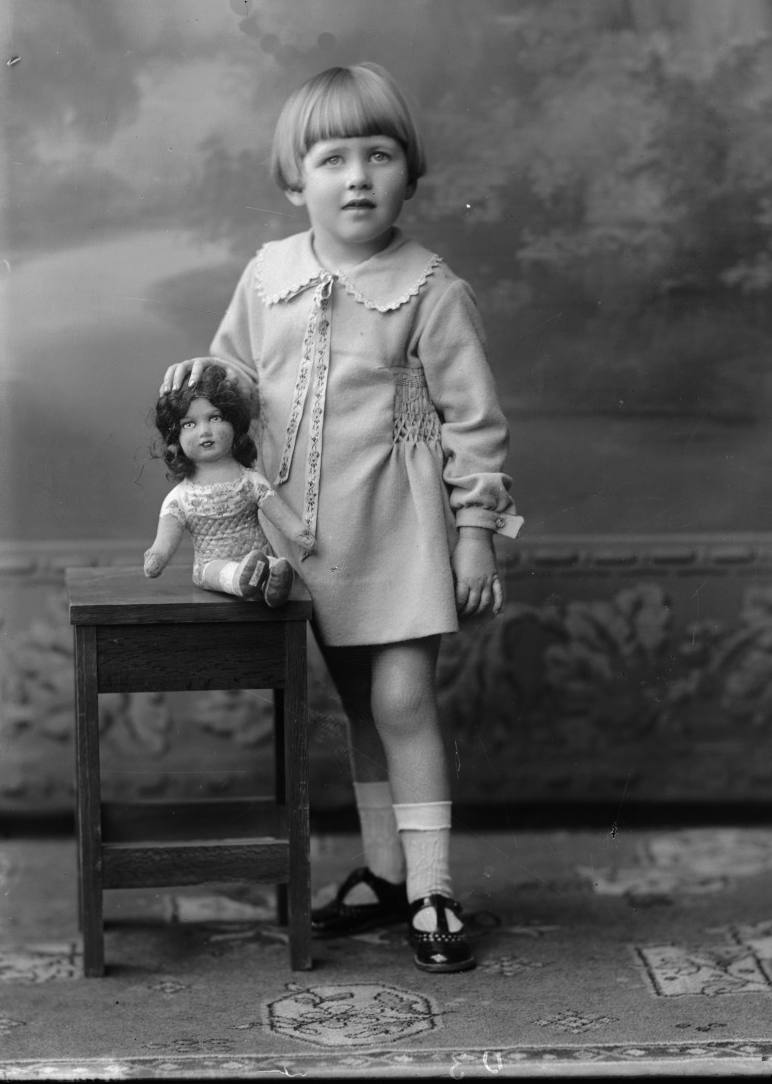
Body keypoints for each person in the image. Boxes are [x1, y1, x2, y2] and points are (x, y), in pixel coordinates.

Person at [159, 62, 522, 973]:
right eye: (332, 159)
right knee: (358, 705)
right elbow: (234, 374)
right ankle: (388, 873)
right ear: (297, 180)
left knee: (402, 697)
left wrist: (475, 532)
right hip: (296, 529)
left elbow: (474, 423)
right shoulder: (269, 273)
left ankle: (435, 890)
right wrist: (196, 380)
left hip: (396, 526)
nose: (357, 176)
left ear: (410, 171)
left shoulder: (429, 287)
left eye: (380, 154)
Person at [145, 364, 314, 604]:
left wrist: (300, 533)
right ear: (176, 439)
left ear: (234, 425)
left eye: (215, 418)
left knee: (270, 565)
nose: (205, 431)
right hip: (211, 565)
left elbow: (278, 513)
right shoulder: (180, 498)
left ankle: (273, 581)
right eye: (189, 424)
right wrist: (157, 557)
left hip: (260, 556)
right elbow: (166, 538)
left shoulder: (250, 480)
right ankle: (242, 580)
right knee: (222, 572)